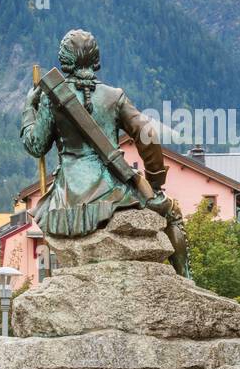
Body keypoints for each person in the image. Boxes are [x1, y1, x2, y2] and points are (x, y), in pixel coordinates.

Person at [21, 28, 171, 240]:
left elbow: (35, 146)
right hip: (114, 193)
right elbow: (147, 132)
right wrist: (154, 182)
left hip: (67, 198)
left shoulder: (50, 98)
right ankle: (183, 271)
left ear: (65, 60)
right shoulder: (114, 96)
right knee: (172, 215)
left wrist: (29, 107)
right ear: (95, 58)